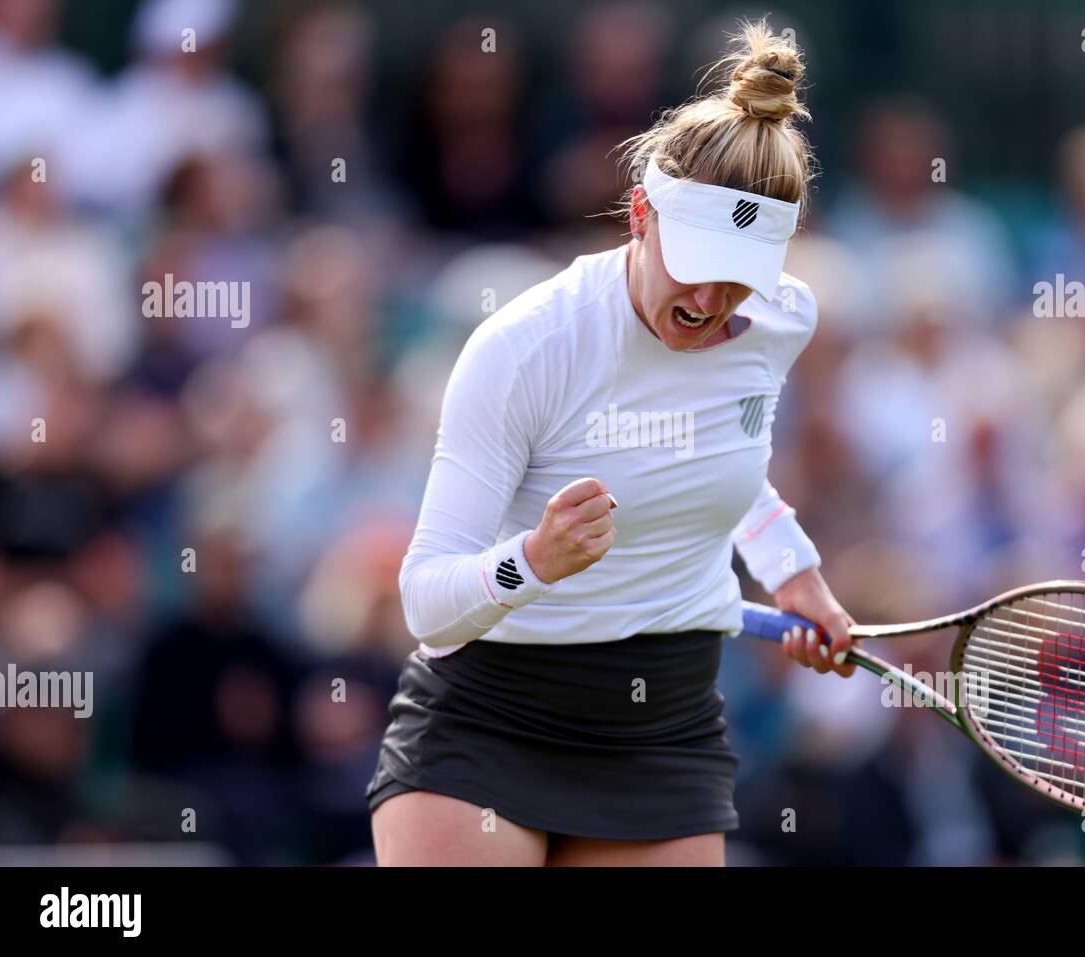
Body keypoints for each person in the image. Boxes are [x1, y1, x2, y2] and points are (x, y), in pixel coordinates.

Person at [367, 19, 857, 867]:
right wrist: (535, 560)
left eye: (739, 275)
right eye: (697, 262)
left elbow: (723, 465)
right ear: (640, 215)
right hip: (487, 721)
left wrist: (796, 574)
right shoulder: (525, 346)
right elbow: (425, 600)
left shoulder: (781, 321)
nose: (711, 298)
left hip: (661, 727)